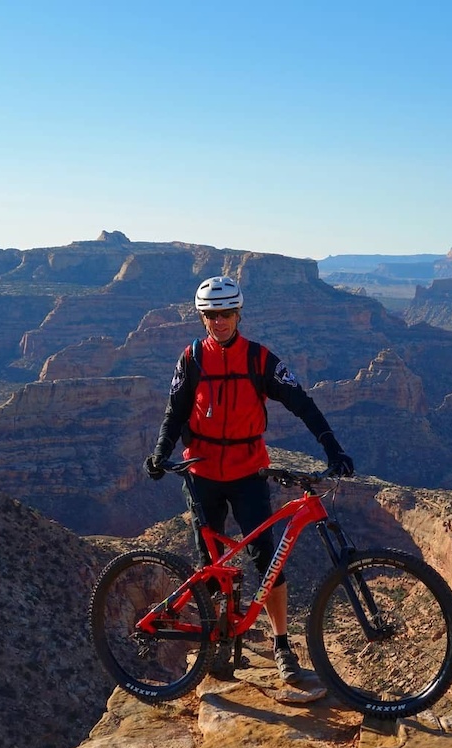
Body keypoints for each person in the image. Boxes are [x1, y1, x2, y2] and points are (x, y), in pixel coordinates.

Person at [144, 275, 354, 685]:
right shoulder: (191, 358)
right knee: (212, 567)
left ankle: (281, 645)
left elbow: (301, 403)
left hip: (248, 472)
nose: (218, 322)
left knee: (267, 561)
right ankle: (219, 642)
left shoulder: (260, 360)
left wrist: (331, 445)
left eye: (225, 314)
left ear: (238, 314)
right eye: (210, 315)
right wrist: (160, 452)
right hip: (202, 473)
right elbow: (175, 410)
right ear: (202, 317)